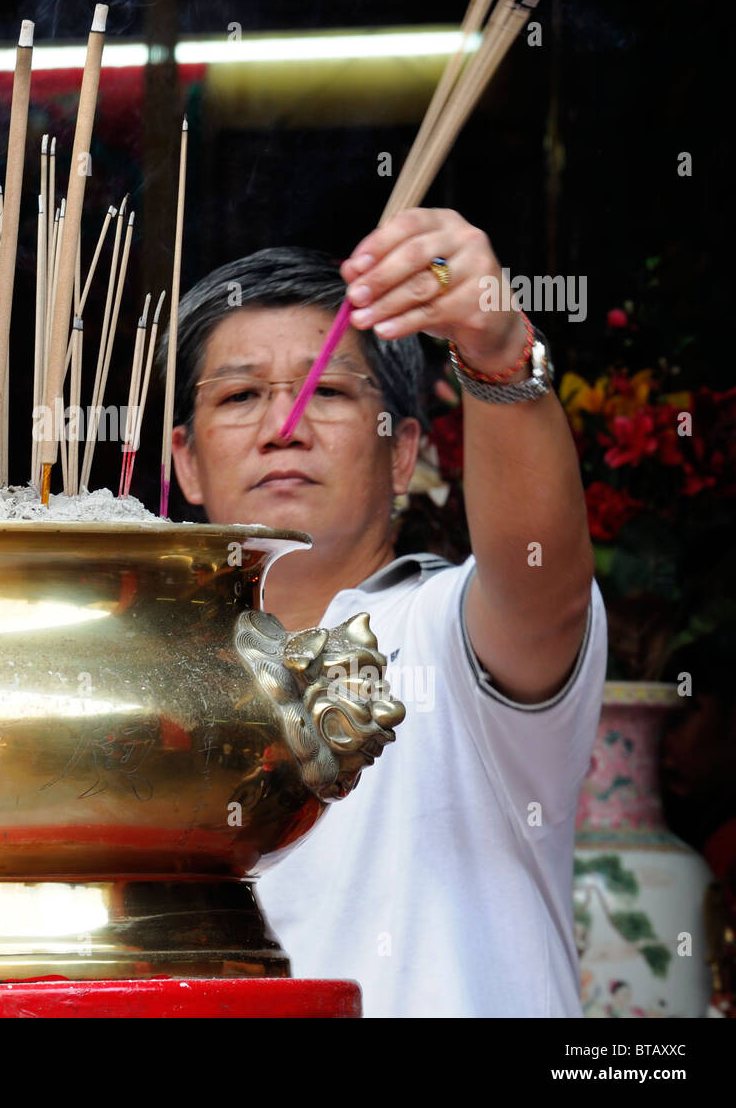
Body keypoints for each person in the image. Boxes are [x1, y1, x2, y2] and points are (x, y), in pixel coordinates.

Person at [167, 209, 606, 1018]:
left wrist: (497, 351)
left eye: (326, 391)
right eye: (238, 396)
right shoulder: (151, 677)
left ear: (402, 451)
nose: (281, 427)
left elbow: (544, 590)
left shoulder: (448, 635)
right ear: (186, 460)